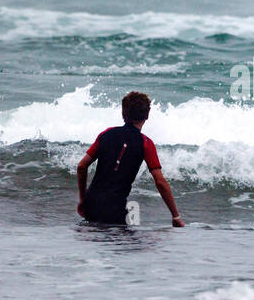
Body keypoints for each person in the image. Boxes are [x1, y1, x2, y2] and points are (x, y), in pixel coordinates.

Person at [77, 91, 183, 226]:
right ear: (147, 115)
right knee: (131, 243)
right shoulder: (146, 143)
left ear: (123, 114)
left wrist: (82, 199)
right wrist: (176, 216)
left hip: (91, 205)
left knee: (97, 240)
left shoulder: (106, 134)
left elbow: (81, 166)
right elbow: (160, 182)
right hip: (115, 209)